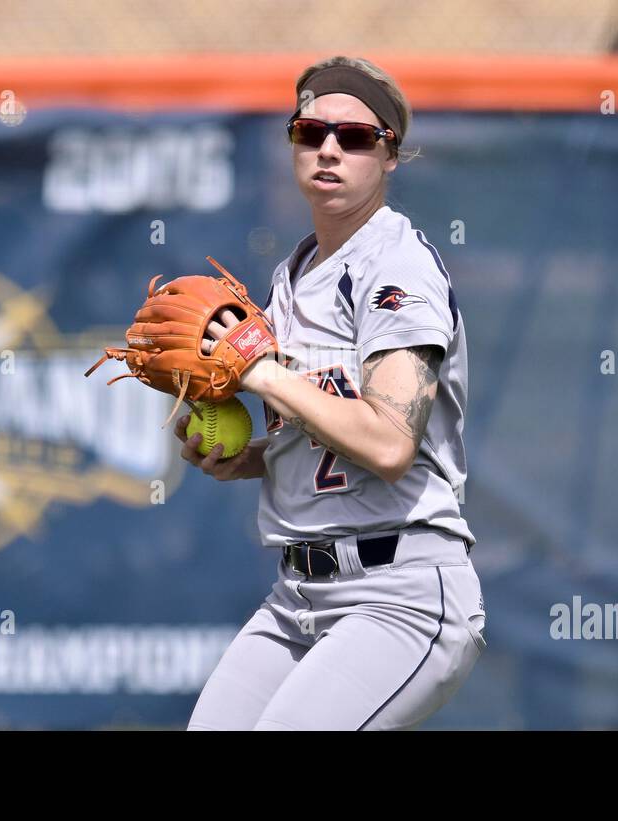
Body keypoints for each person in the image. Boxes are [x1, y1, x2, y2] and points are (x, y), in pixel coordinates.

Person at [177, 56, 484, 731]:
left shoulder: (394, 266)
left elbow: (389, 441)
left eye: (355, 138)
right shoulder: (295, 275)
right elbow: (325, 431)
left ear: (391, 154)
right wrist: (253, 454)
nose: (329, 149)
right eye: (310, 132)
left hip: (399, 591)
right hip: (299, 594)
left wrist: (261, 372)